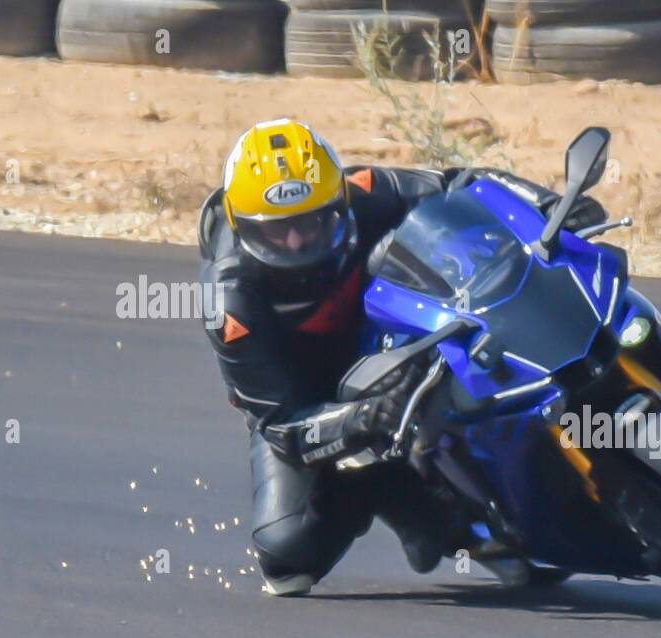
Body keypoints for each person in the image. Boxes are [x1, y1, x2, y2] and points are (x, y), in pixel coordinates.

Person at [198, 118, 603, 597]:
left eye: (311, 222)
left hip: (400, 333)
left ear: (339, 202)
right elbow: (281, 424)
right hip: (307, 394)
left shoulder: (365, 189)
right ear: (244, 227)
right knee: (288, 557)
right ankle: (400, 495)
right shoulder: (230, 303)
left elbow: (463, 184)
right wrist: (357, 420)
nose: (297, 243)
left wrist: (548, 206)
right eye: (277, 232)